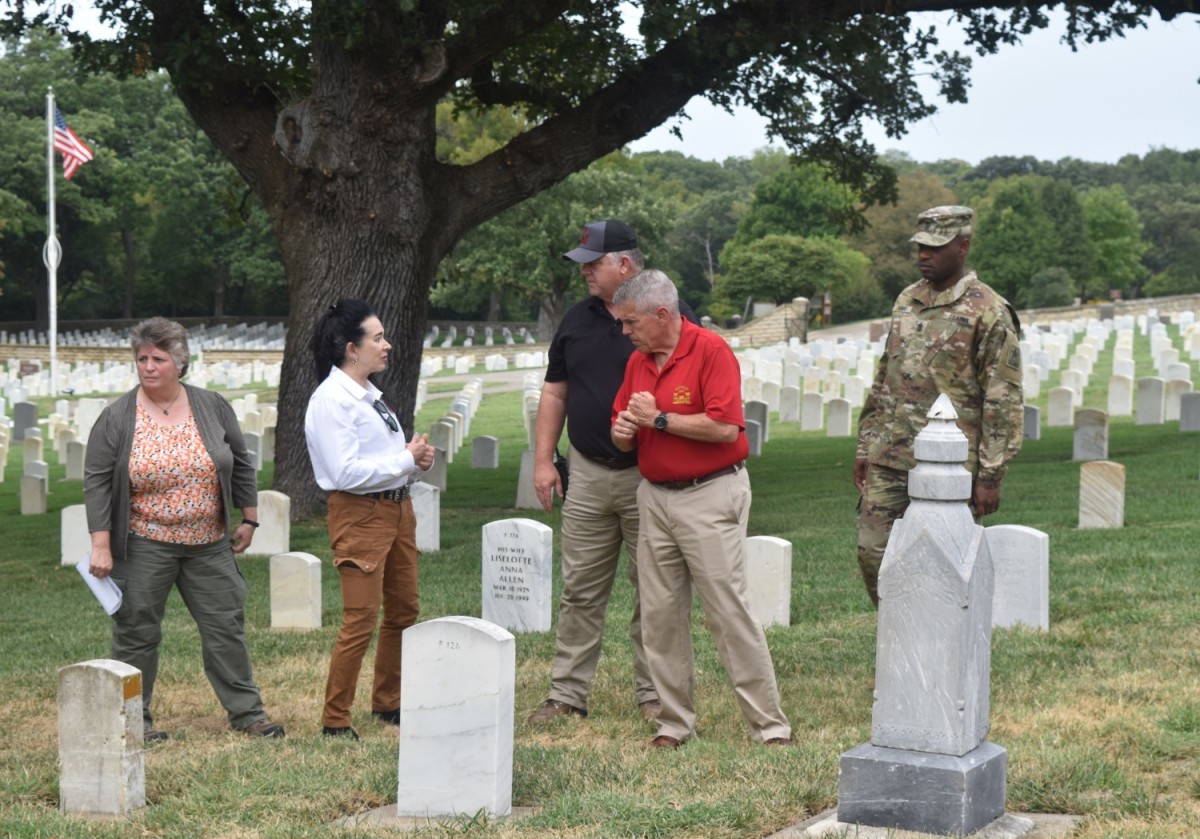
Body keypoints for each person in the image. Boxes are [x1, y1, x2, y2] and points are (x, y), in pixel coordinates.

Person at [610, 269, 792, 749]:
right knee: (661, 614)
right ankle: (674, 722)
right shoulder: (638, 362)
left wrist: (660, 419)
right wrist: (625, 431)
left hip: (709, 494)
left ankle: (769, 727)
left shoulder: (710, 351)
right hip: (654, 496)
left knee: (727, 612)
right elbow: (620, 425)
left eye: (631, 322)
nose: (625, 332)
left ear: (662, 314)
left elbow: (726, 429)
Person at [84, 317, 284, 743]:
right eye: (142, 358)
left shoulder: (210, 405)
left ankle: (249, 714)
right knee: (137, 631)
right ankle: (134, 719)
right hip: (144, 542)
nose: (148, 366)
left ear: (180, 362)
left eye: (158, 358)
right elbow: (97, 480)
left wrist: (249, 517)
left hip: (208, 543)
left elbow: (241, 462)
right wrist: (100, 545)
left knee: (224, 627)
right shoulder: (117, 417)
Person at [526, 219, 669, 725]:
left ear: (624, 264)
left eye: (593, 261)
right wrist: (544, 460)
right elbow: (555, 391)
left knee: (653, 587)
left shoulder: (665, 314)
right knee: (581, 588)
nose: (584, 270)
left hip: (647, 475)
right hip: (586, 471)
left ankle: (655, 694)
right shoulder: (576, 319)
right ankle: (566, 695)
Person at [854, 205, 1024, 608]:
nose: (923, 256)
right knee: (872, 552)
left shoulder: (989, 311)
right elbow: (885, 375)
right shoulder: (906, 300)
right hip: (891, 454)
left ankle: (942, 649)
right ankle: (900, 647)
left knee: (949, 562)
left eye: (935, 247)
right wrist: (866, 445)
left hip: (952, 464)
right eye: (920, 247)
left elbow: (1003, 397)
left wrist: (991, 474)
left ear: (963, 247)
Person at [305, 298, 434, 739]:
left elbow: (383, 458)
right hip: (361, 513)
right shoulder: (331, 401)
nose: (387, 345)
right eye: (377, 338)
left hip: (397, 508)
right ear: (350, 348)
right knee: (360, 618)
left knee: (404, 610)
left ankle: (389, 702)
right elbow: (344, 473)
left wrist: (415, 460)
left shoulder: (369, 396)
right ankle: (335, 719)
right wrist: (404, 457)